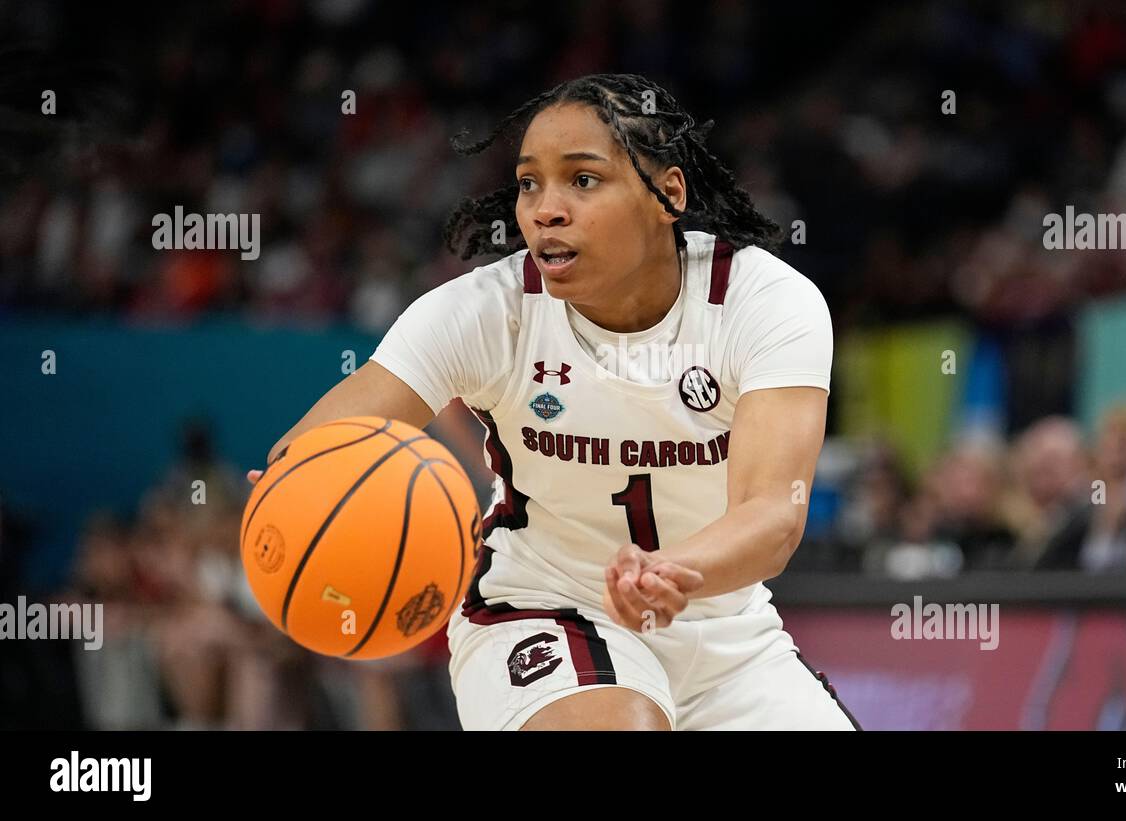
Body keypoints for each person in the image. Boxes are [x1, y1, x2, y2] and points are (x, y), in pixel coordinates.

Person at [247, 74, 858, 731]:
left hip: (724, 634)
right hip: (541, 608)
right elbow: (331, 432)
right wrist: (296, 491)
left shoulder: (763, 303)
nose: (545, 209)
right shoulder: (487, 309)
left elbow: (773, 515)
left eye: (583, 180)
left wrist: (669, 569)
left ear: (668, 195)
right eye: (529, 182)